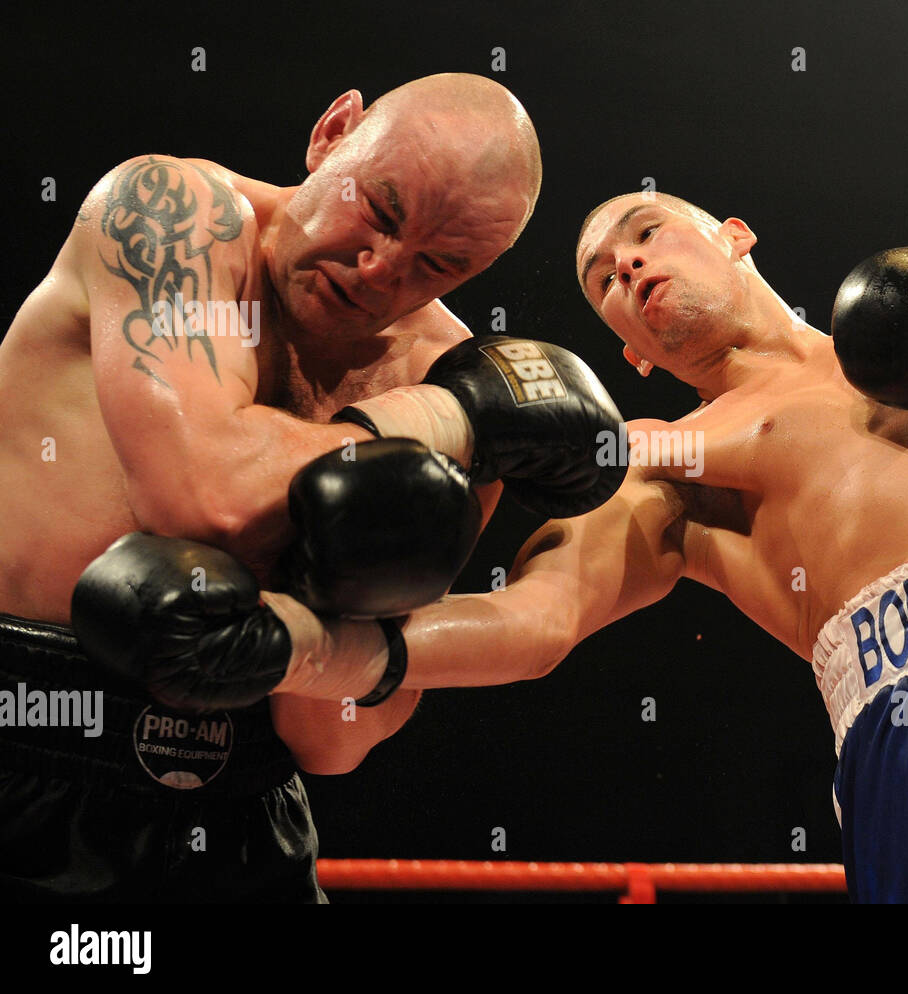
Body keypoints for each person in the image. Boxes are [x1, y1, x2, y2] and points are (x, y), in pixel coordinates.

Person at [82, 191, 908, 903]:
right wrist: (290, 643)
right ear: (627, 352)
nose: (629, 268)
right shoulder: (654, 465)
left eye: (646, 236)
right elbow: (536, 622)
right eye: (603, 280)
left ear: (734, 236)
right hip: (891, 741)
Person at [0, 73, 624, 902]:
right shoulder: (170, 213)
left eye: (438, 264)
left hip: (247, 811)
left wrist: (322, 621)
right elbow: (201, 494)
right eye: (381, 210)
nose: (378, 269)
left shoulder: (452, 372)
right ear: (333, 132)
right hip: (24, 745)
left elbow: (332, 743)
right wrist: (435, 419)